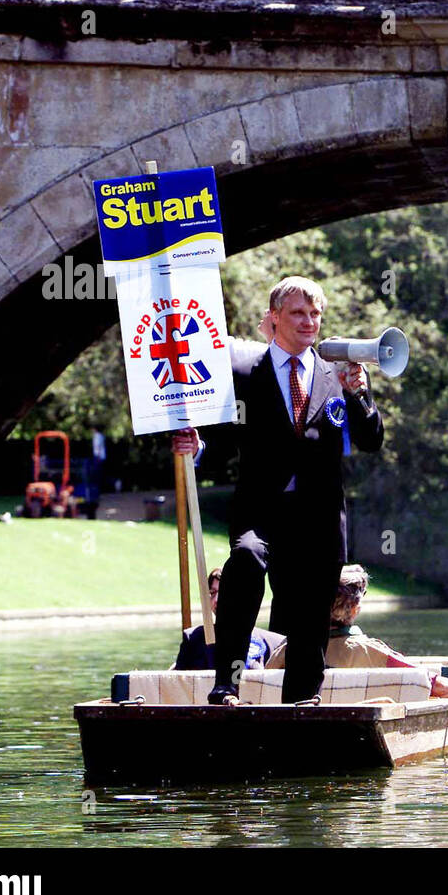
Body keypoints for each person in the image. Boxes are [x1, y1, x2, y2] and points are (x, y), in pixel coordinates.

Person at [173, 275, 384, 706]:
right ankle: (226, 684)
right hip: (260, 510)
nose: (308, 321)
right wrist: (196, 448)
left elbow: (371, 440)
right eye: (297, 313)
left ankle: (302, 702)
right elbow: (219, 442)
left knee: (309, 613)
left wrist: (360, 395)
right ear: (274, 318)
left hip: (320, 516)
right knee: (245, 561)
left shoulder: (336, 375)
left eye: (314, 314)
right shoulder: (243, 372)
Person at [267, 565, 448, 725]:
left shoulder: (292, 647)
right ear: (354, 609)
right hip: (353, 724)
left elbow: (263, 679)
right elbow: (428, 681)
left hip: (295, 724)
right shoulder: (367, 649)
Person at [173, 568, 285, 670]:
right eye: (212, 593)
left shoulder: (276, 644)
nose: (216, 599)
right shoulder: (193, 639)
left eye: (224, 592)